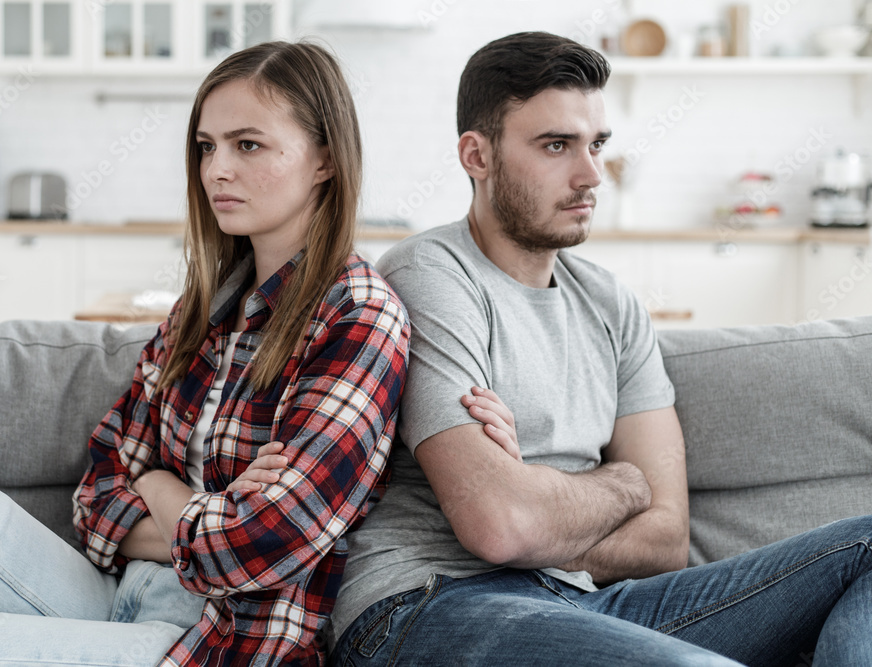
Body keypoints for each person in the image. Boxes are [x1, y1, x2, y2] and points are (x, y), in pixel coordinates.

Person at [329, 31, 872, 666]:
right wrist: (621, 484)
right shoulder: (430, 276)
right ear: (476, 156)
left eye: (597, 145)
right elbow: (498, 524)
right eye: (555, 146)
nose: (590, 175)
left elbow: (666, 539)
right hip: (429, 600)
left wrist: (539, 507)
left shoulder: (613, 305)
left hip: (579, 603)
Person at [0, 41, 409, 666]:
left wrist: (159, 486)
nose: (216, 170)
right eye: (207, 147)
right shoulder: (201, 311)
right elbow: (97, 489)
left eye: (248, 145)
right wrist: (192, 500)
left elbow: (257, 544)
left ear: (324, 160)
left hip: (214, 643)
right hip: (116, 596)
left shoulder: (358, 316)